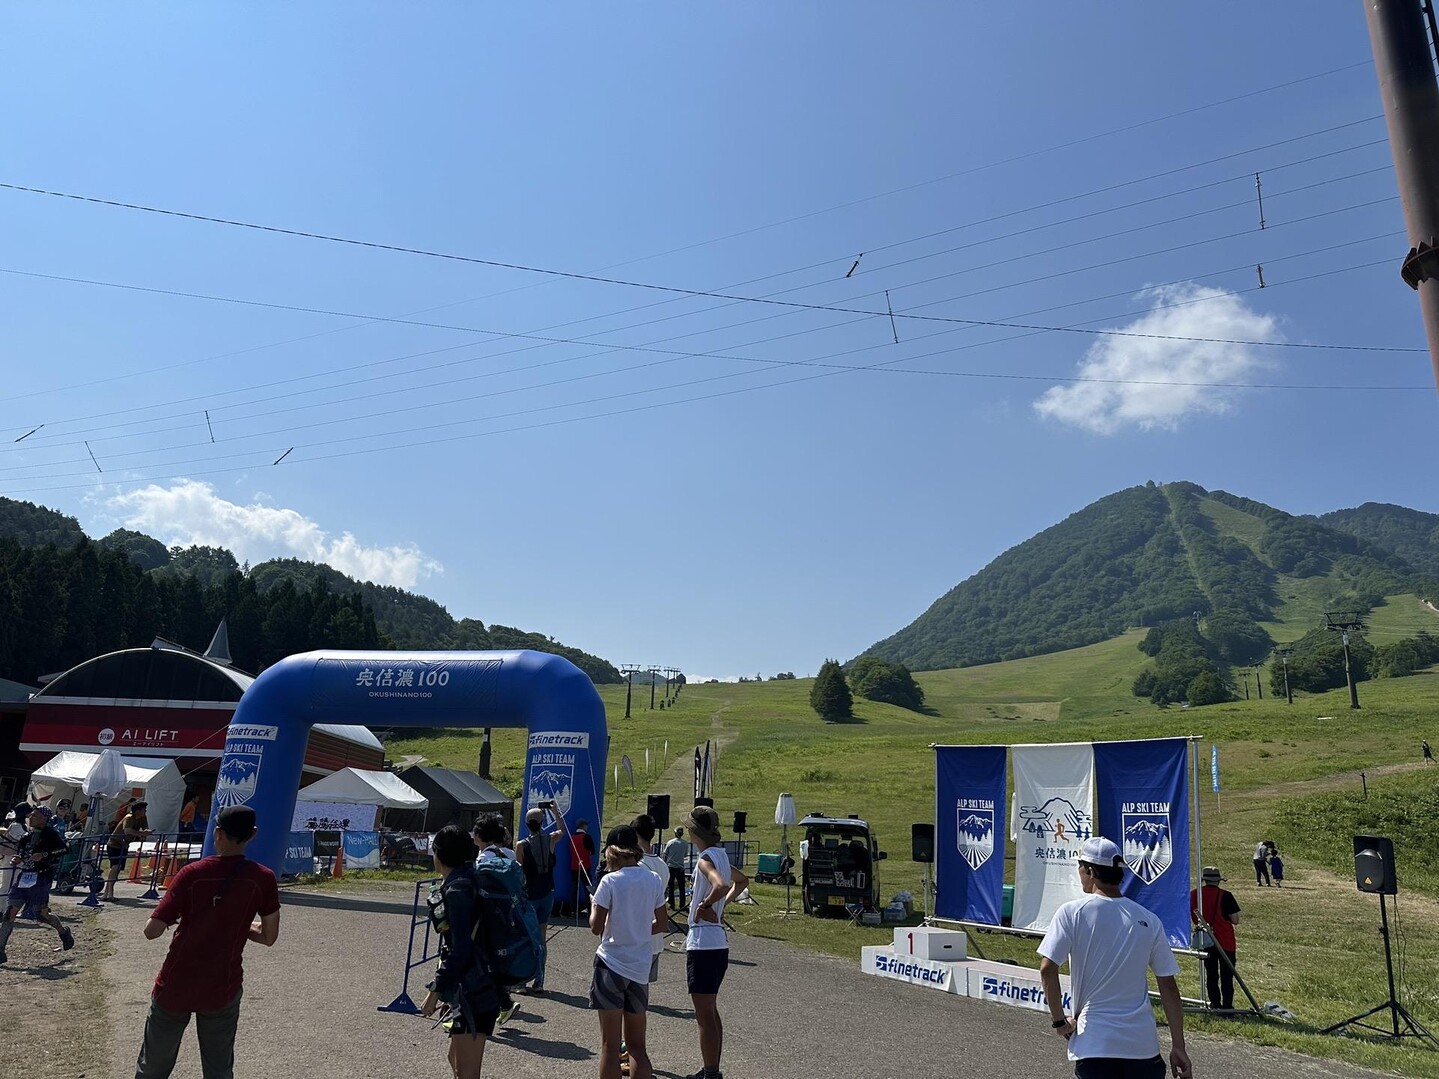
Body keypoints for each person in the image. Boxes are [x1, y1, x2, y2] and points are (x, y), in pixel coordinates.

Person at [133, 804, 280, 1079]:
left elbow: (151, 931)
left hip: (176, 983)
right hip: (222, 985)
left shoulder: (191, 873)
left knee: (153, 1067)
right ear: (254, 834)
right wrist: (236, 924)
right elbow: (269, 936)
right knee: (218, 1069)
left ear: (217, 833)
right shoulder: (263, 878)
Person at [1038, 836, 1192, 1079]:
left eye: (1080, 867)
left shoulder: (1072, 912)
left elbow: (1047, 968)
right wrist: (1178, 1046)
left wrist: (1059, 1022)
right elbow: (1169, 987)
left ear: (1089, 870)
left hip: (1095, 1044)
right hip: (1143, 1048)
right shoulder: (1149, 919)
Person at [421, 825, 500, 1079]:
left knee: (467, 1072)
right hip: (479, 983)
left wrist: (436, 991)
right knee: (455, 1059)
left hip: (475, 989)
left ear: (440, 855)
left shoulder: (458, 891)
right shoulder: (470, 878)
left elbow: (461, 948)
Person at [590, 825, 667, 1079]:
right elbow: (662, 923)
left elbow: (596, 927)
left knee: (609, 1047)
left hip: (611, 963)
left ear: (612, 851)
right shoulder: (652, 879)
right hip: (639, 967)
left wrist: (594, 905)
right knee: (637, 1047)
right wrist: (640, 931)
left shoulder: (609, 881)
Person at [683, 805, 749, 1079]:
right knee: (710, 1010)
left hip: (703, 941)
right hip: (717, 941)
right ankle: (712, 1068)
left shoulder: (704, 859)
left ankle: (711, 1071)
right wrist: (721, 905)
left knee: (704, 1015)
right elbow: (742, 881)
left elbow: (721, 884)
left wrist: (706, 903)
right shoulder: (720, 854)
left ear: (695, 832)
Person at [0, 805, 75, 964]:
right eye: (31, 815)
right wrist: (18, 858)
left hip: (41, 879)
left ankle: (63, 932)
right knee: (9, 913)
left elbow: (64, 849)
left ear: (44, 818)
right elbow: (21, 853)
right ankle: (0, 950)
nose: (31, 817)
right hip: (23, 878)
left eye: (35, 815)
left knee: (42, 915)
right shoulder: (26, 836)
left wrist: (45, 855)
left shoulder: (50, 834)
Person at [471, 816, 520, 1025]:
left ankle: (499, 1004)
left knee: (480, 962)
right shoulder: (508, 854)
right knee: (497, 961)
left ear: (480, 835)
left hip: (486, 917)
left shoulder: (482, 859)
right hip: (506, 915)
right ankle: (504, 1001)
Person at [516, 804, 562, 995]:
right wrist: (555, 811)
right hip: (547, 891)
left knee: (526, 937)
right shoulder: (551, 839)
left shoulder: (521, 845)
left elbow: (519, 871)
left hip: (530, 894)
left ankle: (521, 981)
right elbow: (562, 830)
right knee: (542, 938)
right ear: (542, 823)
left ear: (527, 824)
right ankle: (539, 980)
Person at [1190, 865, 1242, 1013]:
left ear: (1204, 880)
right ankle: (1227, 1007)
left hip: (1205, 940)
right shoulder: (1226, 895)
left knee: (1211, 974)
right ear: (1218, 880)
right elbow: (1235, 920)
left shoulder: (1194, 895)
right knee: (1227, 975)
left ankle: (1215, 1004)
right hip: (1225, 940)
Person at [632, 814, 671, 984]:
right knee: (643, 988)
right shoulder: (662, 865)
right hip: (655, 937)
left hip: (638, 935)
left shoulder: (637, 866)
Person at [104, 801, 151, 901]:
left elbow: (145, 827)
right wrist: (140, 833)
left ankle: (106, 893)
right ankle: (109, 893)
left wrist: (146, 832)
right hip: (114, 844)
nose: (145, 812)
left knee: (118, 869)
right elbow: (127, 830)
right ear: (138, 811)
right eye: (144, 810)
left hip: (124, 846)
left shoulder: (143, 818)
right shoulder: (129, 817)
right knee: (115, 867)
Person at [571, 819, 597, 915]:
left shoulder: (572, 837)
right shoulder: (587, 837)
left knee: (574, 889)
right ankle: (590, 910)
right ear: (583, 826)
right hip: (585, 866)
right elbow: (592, 851)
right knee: (588, 889)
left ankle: (573, 910)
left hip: (574, 866)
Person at [662, 826, 688, 911]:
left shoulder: (670, 842)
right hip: (680, 867)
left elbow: (665, 854)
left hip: (671, 867)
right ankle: (682, 905)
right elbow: (685, 855)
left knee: (671, 886)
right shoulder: (685, 843)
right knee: (681, 887)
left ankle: (672, 904)